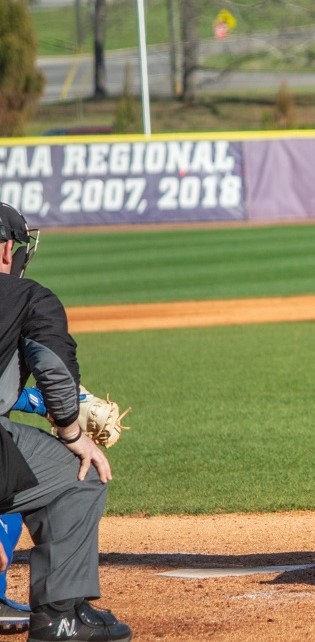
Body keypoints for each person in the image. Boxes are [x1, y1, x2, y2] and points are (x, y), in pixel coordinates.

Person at [0, 202, 132, 642]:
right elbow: (54, 368)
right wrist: (71, 431)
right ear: (6, 251)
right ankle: (59, 616)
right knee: (82, 476)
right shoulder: (27, 296)